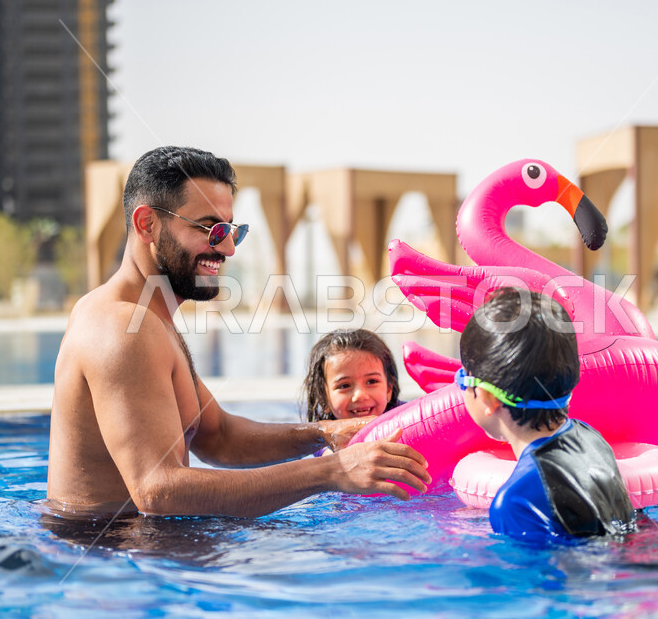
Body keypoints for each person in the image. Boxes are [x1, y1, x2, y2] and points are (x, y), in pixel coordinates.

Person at [47, 146, 429, 518]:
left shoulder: (151, 321)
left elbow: (219, 436)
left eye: (230, 229)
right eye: (210, 229)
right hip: (112, 562)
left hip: (138, 556)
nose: (227, 248)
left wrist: (328, 433)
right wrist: (333, 471)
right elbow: (157, 491)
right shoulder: (120, 329)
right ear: (147, 223)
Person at [456, 287, 635, 542]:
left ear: (487, 397)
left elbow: (544, 578)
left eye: (461, 379)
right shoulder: (591, 438)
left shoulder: (515, 501)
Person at [301, 329, 401, 422]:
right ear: (324, 399)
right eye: (344, 386)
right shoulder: (320, 438)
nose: (360, 396)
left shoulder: (407, 419)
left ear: (388, 389)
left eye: (372, 381)